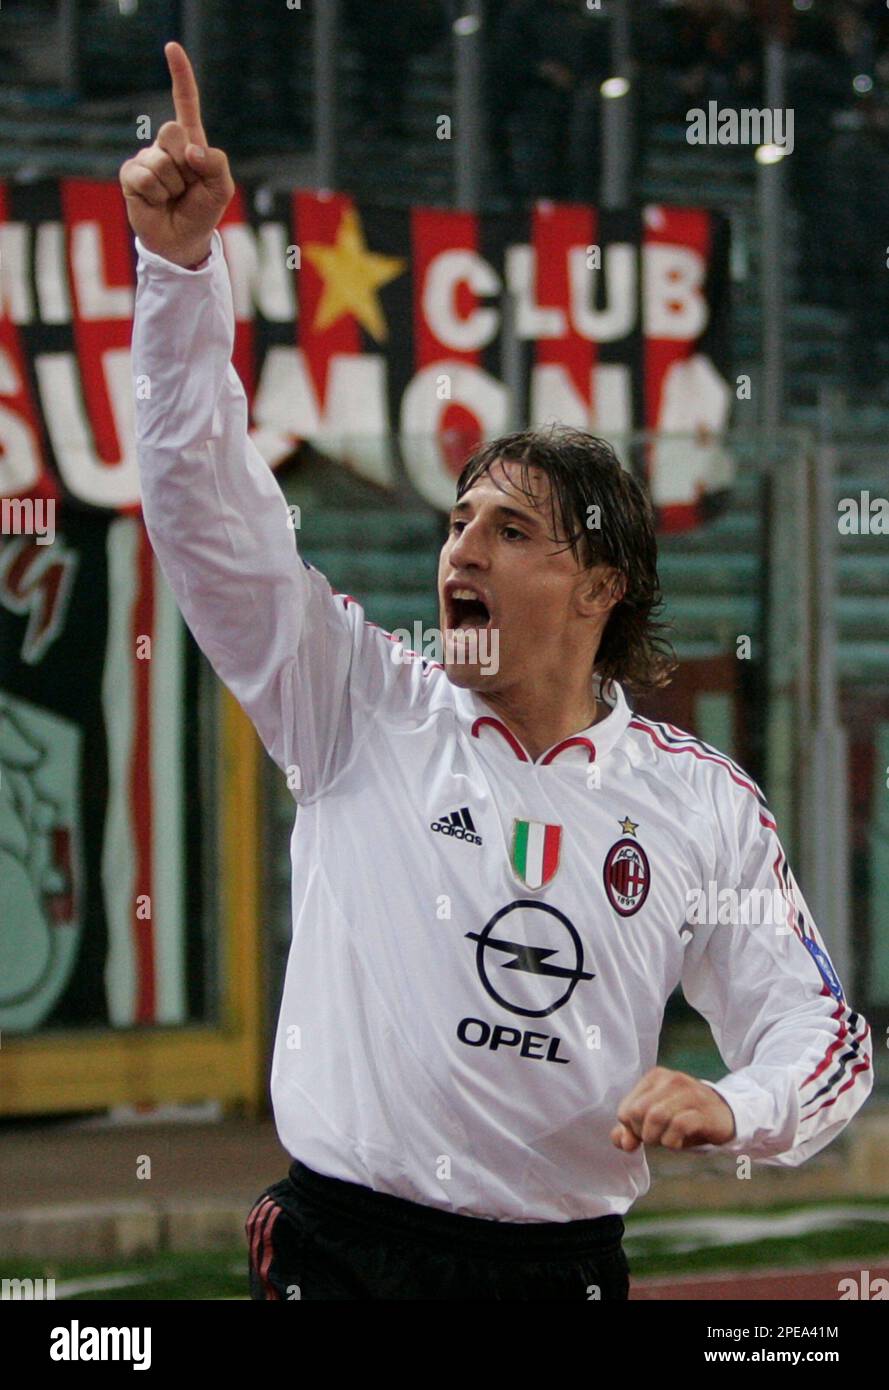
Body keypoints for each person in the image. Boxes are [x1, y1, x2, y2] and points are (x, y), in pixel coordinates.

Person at [120, 43, 873, 1302]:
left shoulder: (700, 805)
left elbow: (823, 1039)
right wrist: (180, 272)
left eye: (509, 529)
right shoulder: (354, 698)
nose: (459, 545)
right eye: (457, 520)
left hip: (559, 1274)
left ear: (598, 588)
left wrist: (734, 1102)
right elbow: (203, 505)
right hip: (338, 1254)